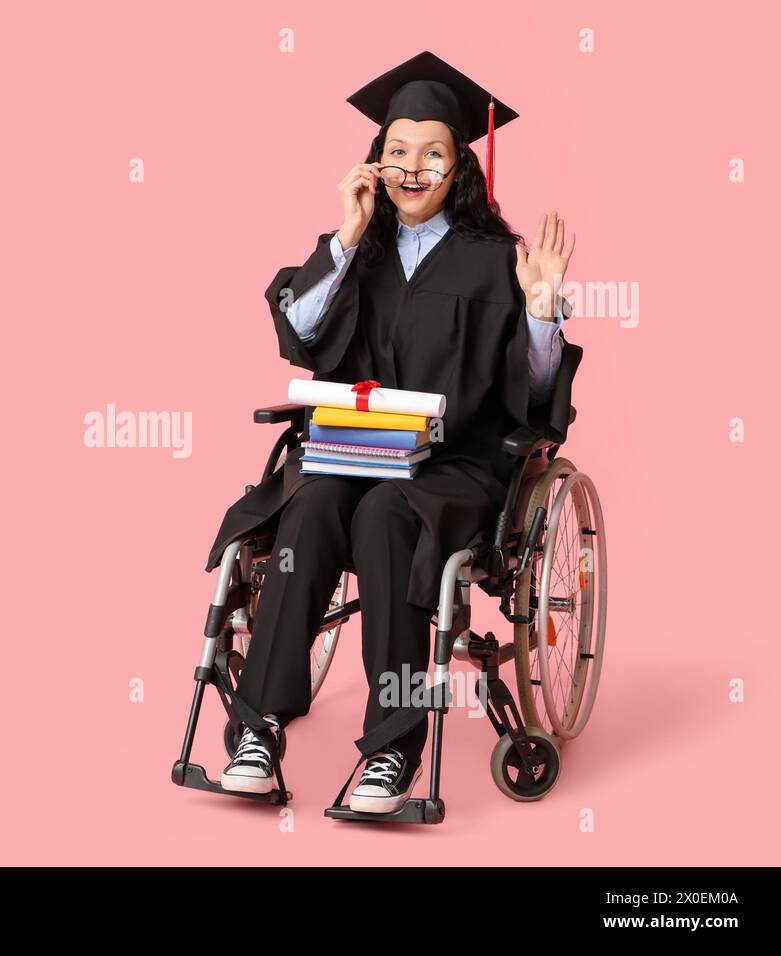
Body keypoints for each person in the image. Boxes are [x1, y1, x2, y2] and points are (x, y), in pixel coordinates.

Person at [203, 51, 577, 812]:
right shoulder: (355, 250)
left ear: (458, 166)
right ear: (375, 161)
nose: (413, 167)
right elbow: (299, 330)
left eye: (432, 152)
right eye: (396, 150)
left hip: (454, 467)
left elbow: (533, 398)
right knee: (306, 507)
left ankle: (389, 751)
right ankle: (259, 727)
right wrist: (345, 233)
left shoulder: (495, 262)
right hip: (354, 451)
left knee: (385, 517)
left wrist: (541, 313)